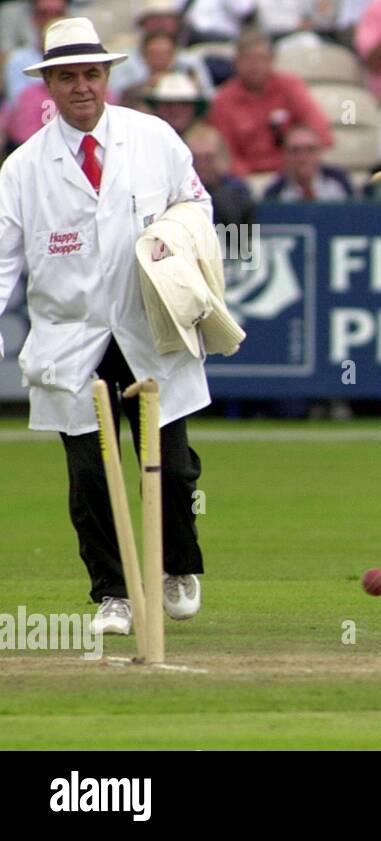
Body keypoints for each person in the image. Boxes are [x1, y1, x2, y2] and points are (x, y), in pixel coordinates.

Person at [0, 18, 213, 636]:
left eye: (91, 73)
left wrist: (174, 244)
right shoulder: (22, 169)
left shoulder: (154, 138)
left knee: (171, 468)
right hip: (73, 339)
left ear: (108, 76)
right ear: (49, 85)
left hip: (150, 325)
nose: (81, 87)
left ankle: (176, 567)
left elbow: (195, 204)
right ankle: (113, 593)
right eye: (67, 77)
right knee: (92, 473)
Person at [207, 30, 334, 176]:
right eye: (248, 59)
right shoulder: (223, 100)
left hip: (292, 174)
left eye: (261, 58)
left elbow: (320, 132)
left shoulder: (291, 87)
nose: (255, 65)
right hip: (246, 180)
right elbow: (225, 154)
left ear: (272, 60)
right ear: (236, 63)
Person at [186, 123, 257, 228]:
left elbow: (243, 238)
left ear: (224, 158)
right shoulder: (178, 194)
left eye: (209, 158)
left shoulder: (238, 193)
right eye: (195, 159)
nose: (202, 165)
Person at [264, 125, 354, 201]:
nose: (303, 157)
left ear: (320, 152)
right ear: (285, 155)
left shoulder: (339, 182)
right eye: (295, 151)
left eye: (310, 150)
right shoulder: (275, 191)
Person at [3, 0, 65, 104]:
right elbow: (21, 106)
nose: (50, 19)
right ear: (33, 18)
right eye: (43, 13)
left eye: (57, 14)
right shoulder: (17, 60)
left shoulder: (81, 58)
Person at [144, 72, 210, 138]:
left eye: (183, 104)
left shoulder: (208, 142)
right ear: (156, 107)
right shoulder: (144, 138)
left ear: (195, 109)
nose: (175, 110)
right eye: (168, 104)